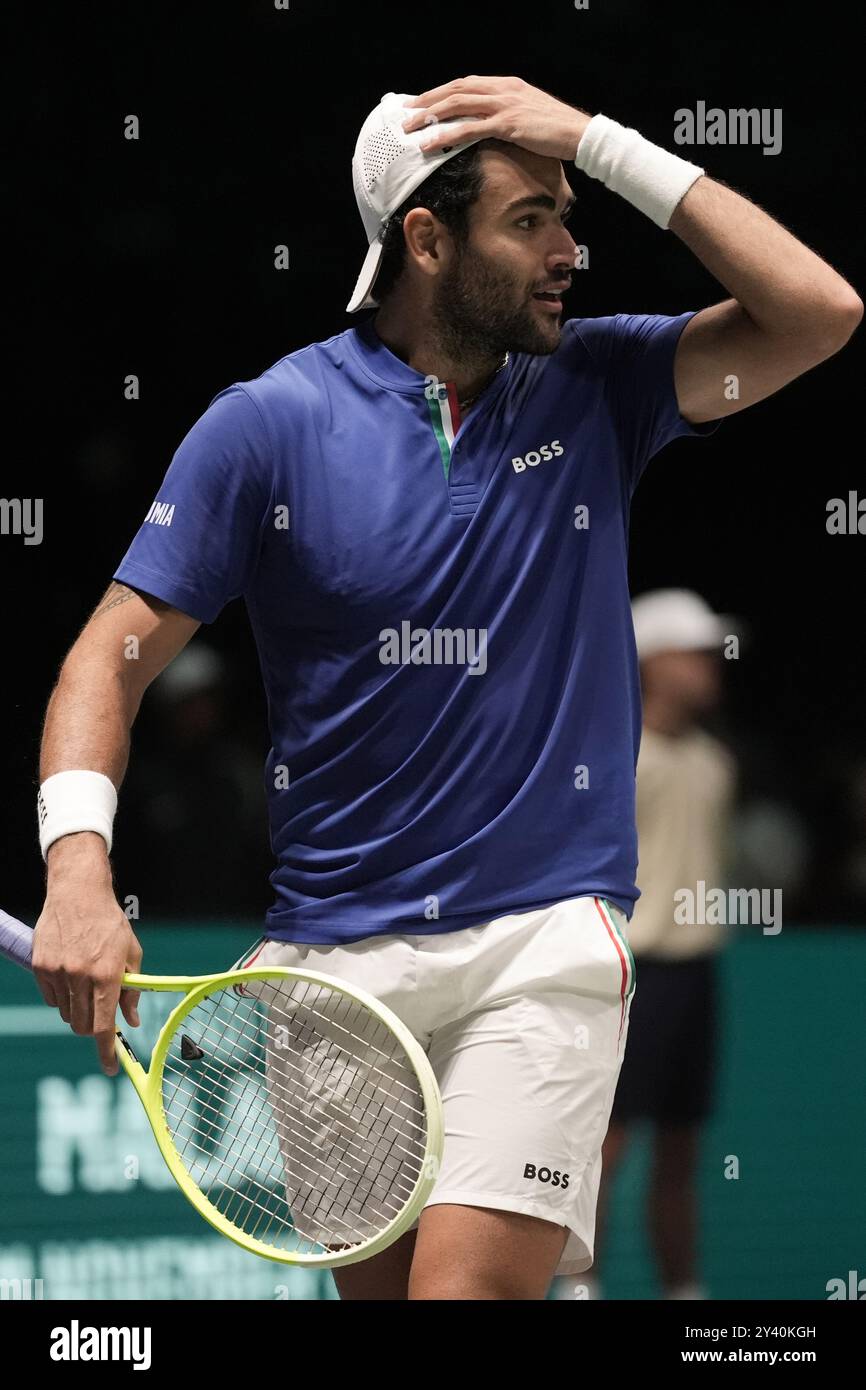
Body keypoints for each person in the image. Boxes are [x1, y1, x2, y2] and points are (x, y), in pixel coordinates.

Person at [32, 77, 861, 1301]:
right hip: (329, 966)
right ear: (424, 238)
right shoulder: (267, 425)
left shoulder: (600, 389)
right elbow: (110, 648)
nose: (570, 251)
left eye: (567, 214)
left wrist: (592, 140)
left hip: (540, 939)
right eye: (531, 219)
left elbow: (817, 311)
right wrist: (76, 868)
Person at [591, 589, 737, 1301]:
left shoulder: (715, 761)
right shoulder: (614, 750)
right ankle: (578, 1289)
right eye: (696, 651)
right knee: (605, 1147)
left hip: (696, 974)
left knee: (681, 1147)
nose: (712, 664)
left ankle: (687, 1298)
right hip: (629, 972)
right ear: (651, 660)